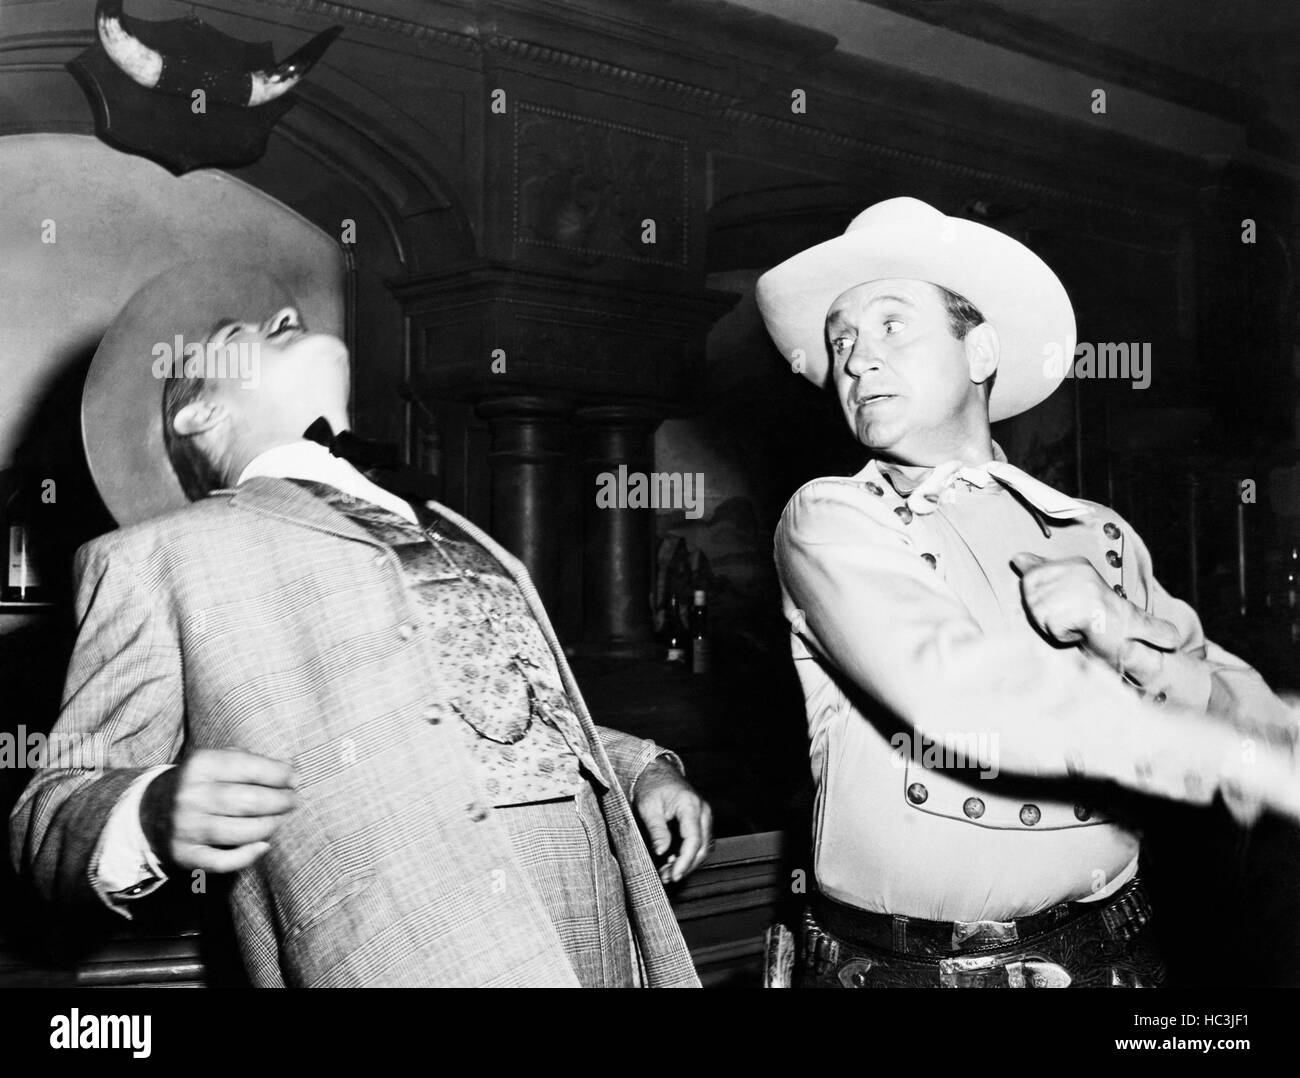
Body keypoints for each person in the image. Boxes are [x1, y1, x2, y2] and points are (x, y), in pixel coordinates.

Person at [10, 262, 712, 987]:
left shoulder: (448, 525)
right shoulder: (155, 558)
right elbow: (48, 812)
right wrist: (150, 812)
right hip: (402, 950)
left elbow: (488, 707)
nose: (282, 316)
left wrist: (638, 767)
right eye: (237, 333)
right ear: (200, 414)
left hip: (594, 919)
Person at [756, 197, 1300, 988]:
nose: (857, 359)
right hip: (906, 971)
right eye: (841, 341)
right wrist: (1217, 757)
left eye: (892, 324)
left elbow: (1244, 707)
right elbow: (955, 695)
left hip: (1114, 954)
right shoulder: (831, 518)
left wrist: (1123, 631)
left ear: (979, 349)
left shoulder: (1096, 532)